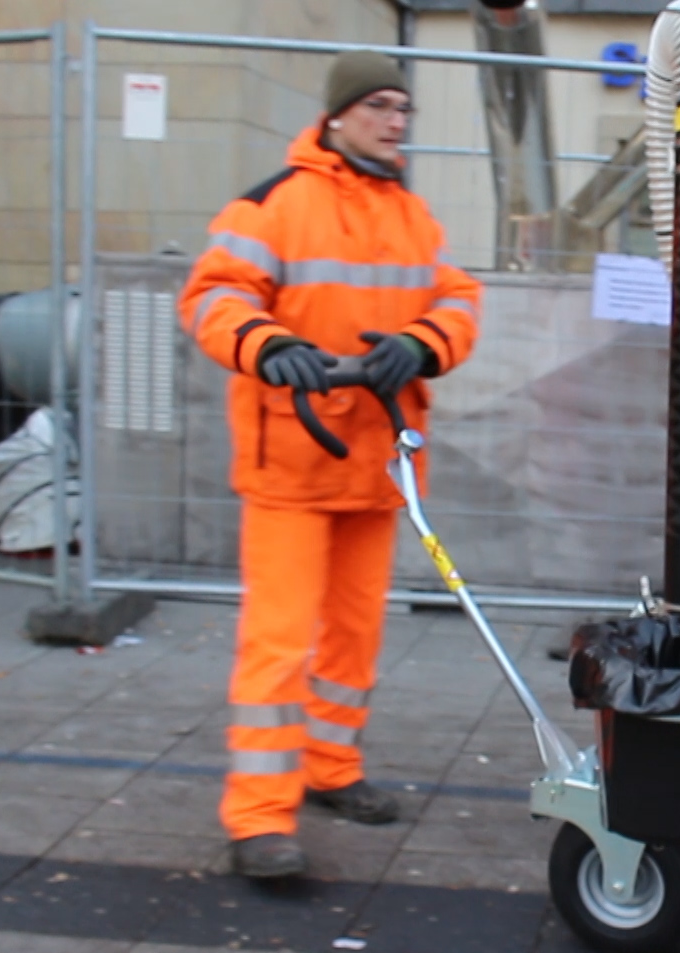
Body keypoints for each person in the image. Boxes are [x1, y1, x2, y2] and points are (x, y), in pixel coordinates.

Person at [179, 51, 481, 877]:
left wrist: (422, 345)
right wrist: (266, 345)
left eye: (403, 108)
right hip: (294, 463)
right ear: (340, 114)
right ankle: (258, 819)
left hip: (375, 463)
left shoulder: (411, 216)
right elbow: (212, 295)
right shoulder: (273, 204)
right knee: (277, 646)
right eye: (381, 105)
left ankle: (331, 769)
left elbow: (457, 300)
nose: (396, 120)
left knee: (352, 636)